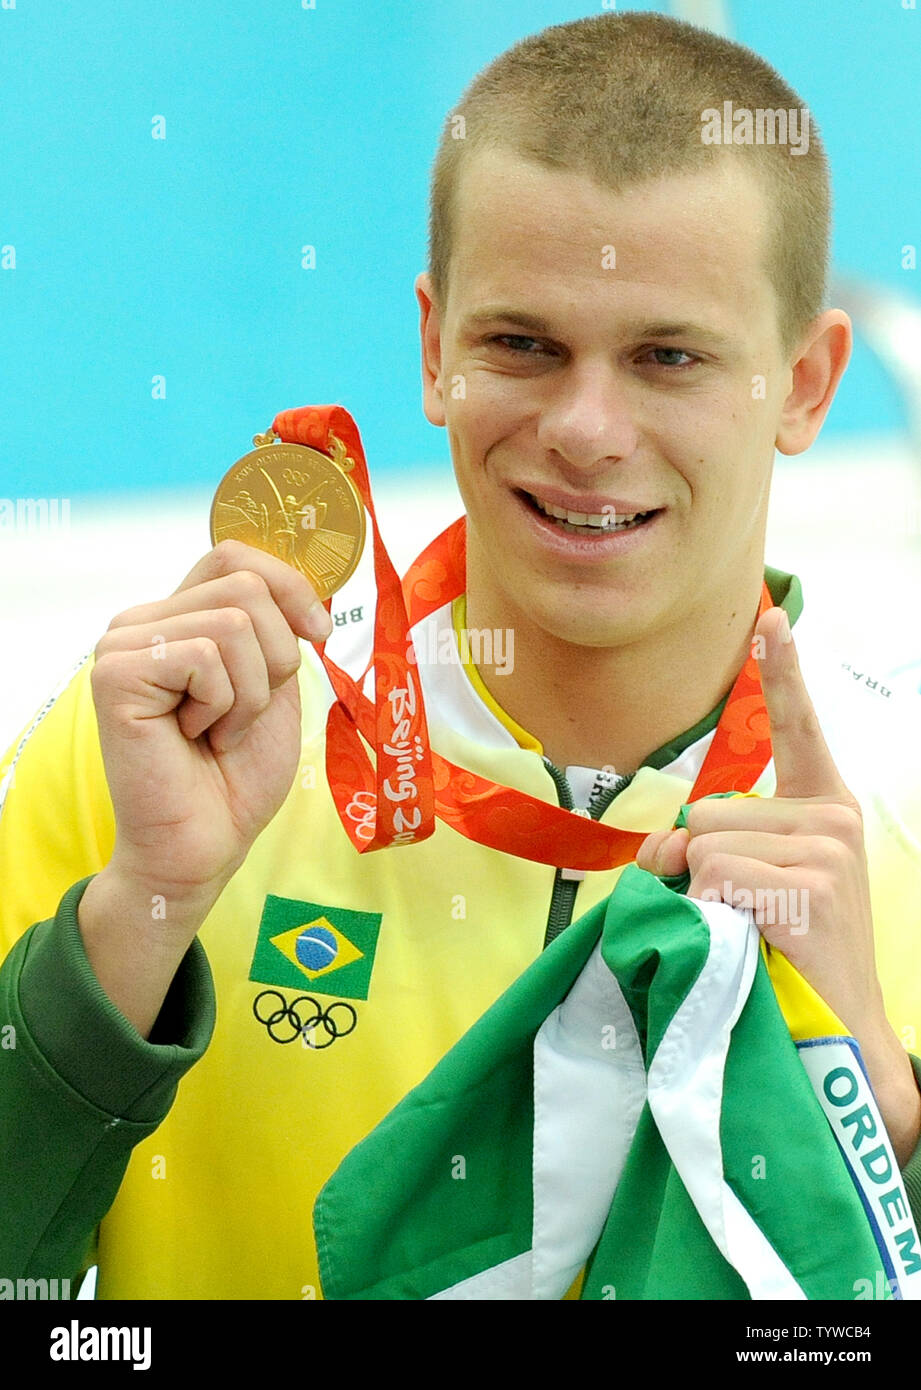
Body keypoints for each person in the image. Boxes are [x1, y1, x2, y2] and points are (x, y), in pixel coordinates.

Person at [1, 10, 919, 1301]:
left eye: (667, 357)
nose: (586, 428)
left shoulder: (902, 820)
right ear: (434, 347)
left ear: (808, 382)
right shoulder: (155, 753)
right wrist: (133, 922)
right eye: (523, 345)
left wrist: (883, 1104)